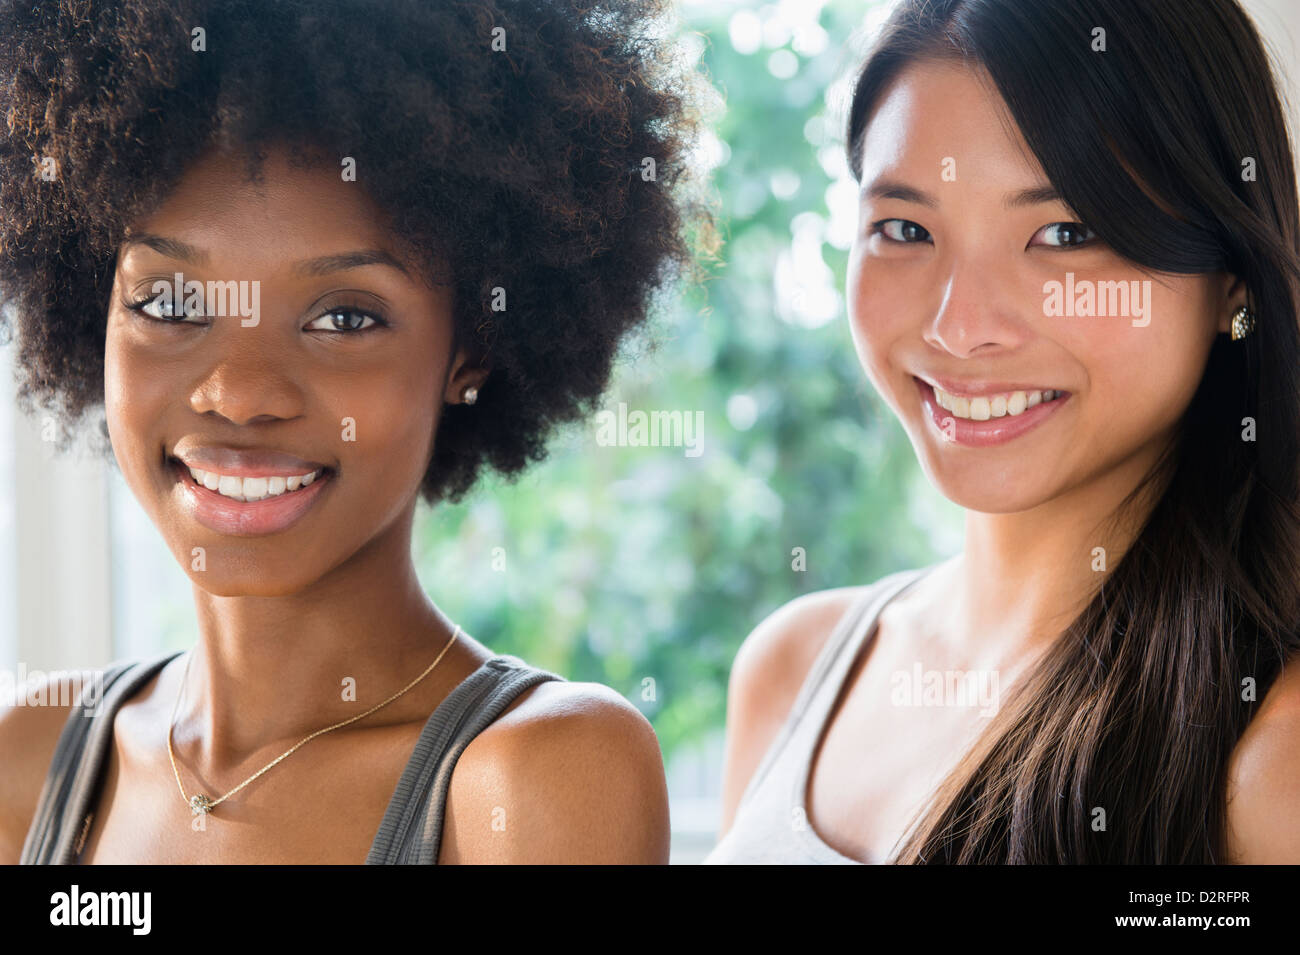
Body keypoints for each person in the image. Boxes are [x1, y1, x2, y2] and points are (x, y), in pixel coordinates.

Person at [0, 0, 708, 864]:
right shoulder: (33, 763)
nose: (239, 393)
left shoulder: (530, 776)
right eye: (173, 302)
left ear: (469, 351)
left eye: (343, 317)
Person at [709, 0, 1300, 864]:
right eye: (905, 229)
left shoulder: (1268, 756)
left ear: (1232, 283)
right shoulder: (793, 669)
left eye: (1065, 234)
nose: (961, 326)